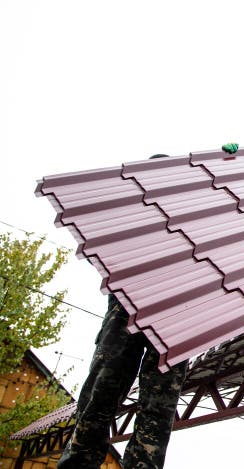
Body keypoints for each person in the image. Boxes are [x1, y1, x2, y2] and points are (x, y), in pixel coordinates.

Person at [58, 154, 188, 469]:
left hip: (176, 316)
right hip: (125, 311)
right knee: (100, 394)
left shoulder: (191, 211)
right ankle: (78, 462)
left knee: (157, 406)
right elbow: (98, 250)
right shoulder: (131, 211)